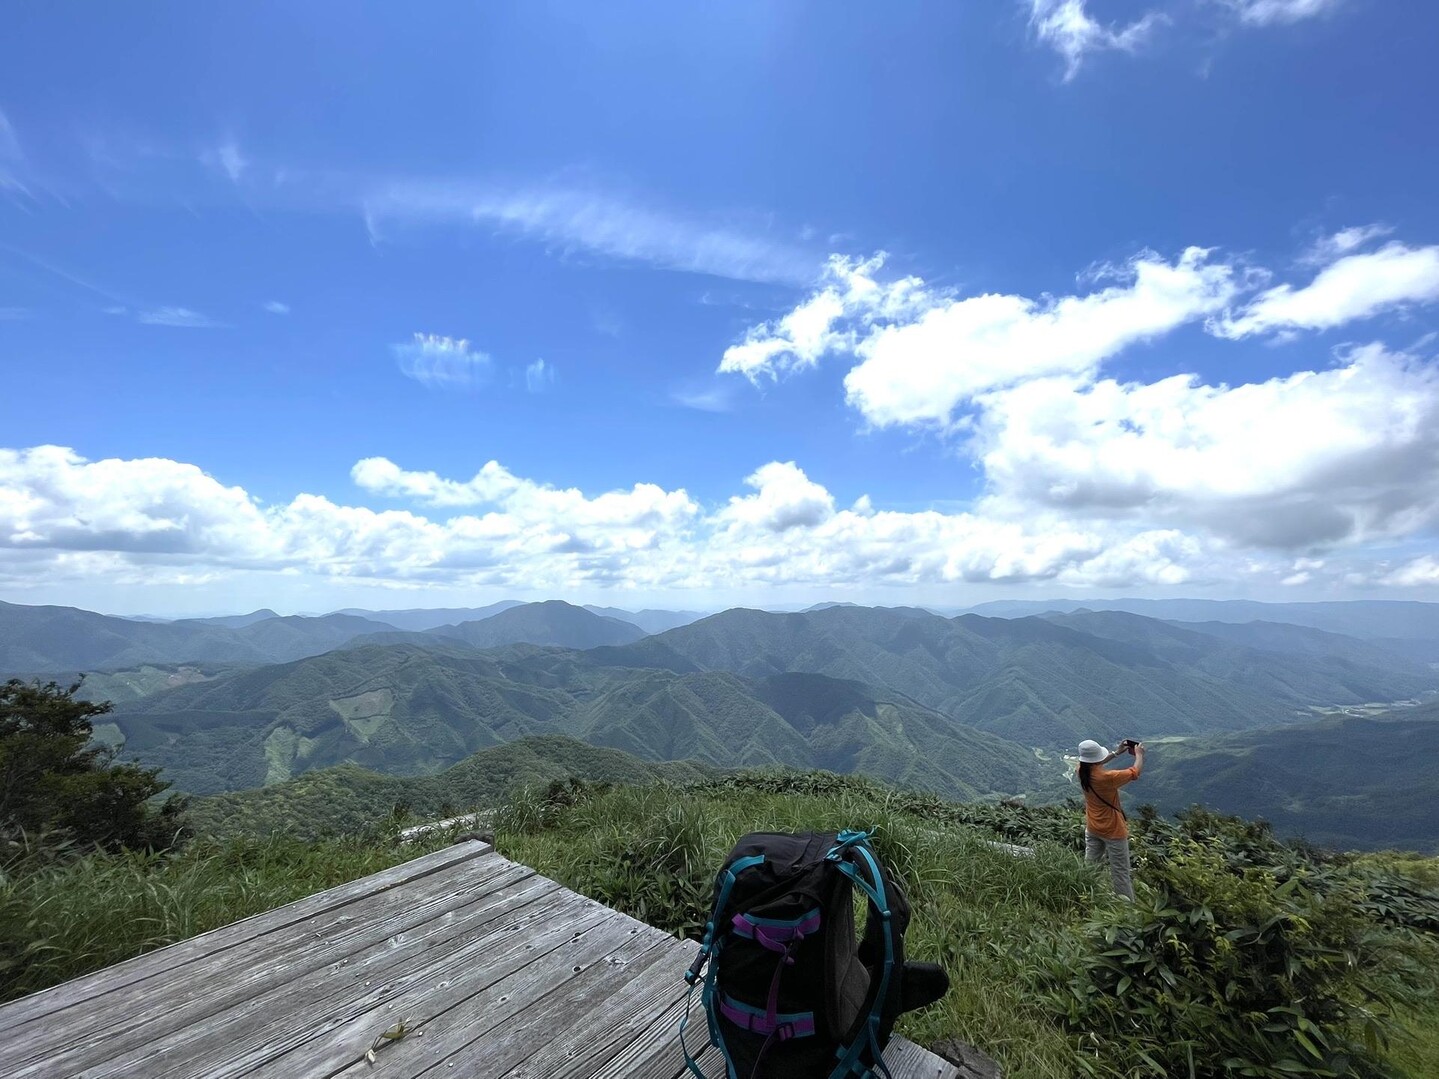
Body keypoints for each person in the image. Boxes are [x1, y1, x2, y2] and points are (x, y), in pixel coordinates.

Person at [1076, 738, 1144, 900]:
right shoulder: (1108, 778)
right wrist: (1139, 755)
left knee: (1091, 868)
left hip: (1092, 828)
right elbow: (1135, 772)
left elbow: (1093, 764)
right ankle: (1126, 911)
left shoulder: (1080, 771)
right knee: (1120, 874)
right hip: (1113, 830)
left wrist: (1116, 753)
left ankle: (1086, 897)